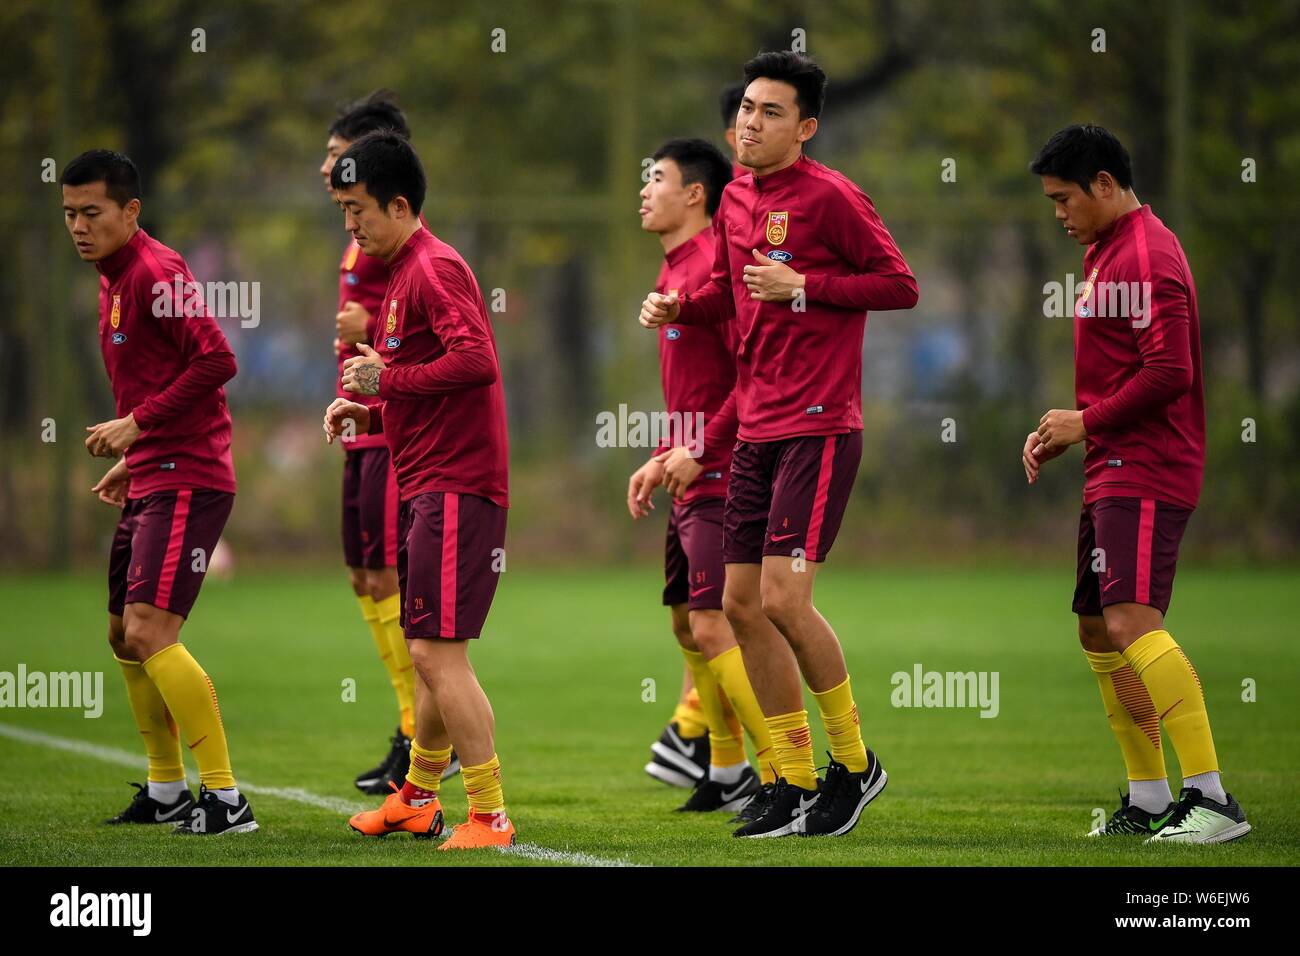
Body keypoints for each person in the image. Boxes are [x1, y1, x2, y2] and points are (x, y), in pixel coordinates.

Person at [639, 51, 918, 838]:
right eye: (745, 110)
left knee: (786, 599)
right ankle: (791, 778)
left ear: (806, 127)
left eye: (769, 112)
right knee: (737, 605)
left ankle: (855, 766)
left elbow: (901, 285)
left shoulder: (832, 197)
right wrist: (683, 309)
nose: (749, 124)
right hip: (755, 429)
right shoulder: (735, 202)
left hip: (819, 426)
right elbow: (730, 291)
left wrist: (809, 287)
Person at [1025, 123, 1249, 843]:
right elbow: (1124, 371)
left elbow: (1171, 371)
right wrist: (1076, 432)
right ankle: (1150, 796)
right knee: (1097, 627)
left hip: (1150, 466)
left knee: (1130, 620)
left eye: (1064, 199)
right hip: (1112, 465)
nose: (1059, 213)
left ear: (1104, 185)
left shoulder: (1147, 256)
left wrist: (1085, 420)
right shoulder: (1106, 252)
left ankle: (1212, 801)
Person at [324, 131, 515, 848]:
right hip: (428, 482)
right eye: (342, 210)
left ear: (399, 205)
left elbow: (477, 364)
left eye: (357, 210)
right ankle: (416, 796)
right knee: (428, 644)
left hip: (457, 485)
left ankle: (491, 815)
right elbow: (426, 380)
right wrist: (370, 408)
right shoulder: (401, 275)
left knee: (437, 653)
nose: (350, 225)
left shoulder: (433, 269)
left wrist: (388, 381)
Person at [64, 149, 256, 835]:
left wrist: (138, 425)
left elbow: (217, 359)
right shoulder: (111, 277)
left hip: (190, 476)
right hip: (157, 468)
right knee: (122, 633)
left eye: (93, 212)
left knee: (150, 630)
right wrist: (136, 451)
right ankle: (168, 790)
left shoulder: (154, 271)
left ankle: (228, 802)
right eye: (70, 214)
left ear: (130, 211)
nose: (79, 226)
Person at [630, 138, 775, 813]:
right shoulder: (671, 273)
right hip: (688, 468)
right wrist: (662, 456)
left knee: (718, 624)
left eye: (655, 179)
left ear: (695, 194)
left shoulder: (717, 265)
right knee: (689, 625)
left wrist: (703, 450)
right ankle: (726, 770)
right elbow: (693, 388)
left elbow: (753, 378)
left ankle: (783, 774)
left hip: (724, 472)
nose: (643, 191)